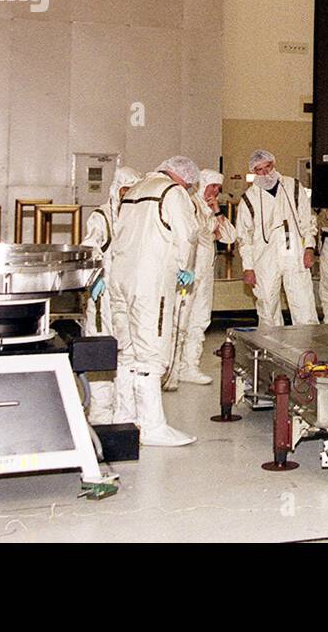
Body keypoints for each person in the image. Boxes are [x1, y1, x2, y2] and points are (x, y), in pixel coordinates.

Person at [106, 156, 201, 447]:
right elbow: (188, 234)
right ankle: (151, 427)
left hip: (120, 280)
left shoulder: (135, 189)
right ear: (184, 178)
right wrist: (186, 267)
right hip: (150, 285)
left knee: (127, 352)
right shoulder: (172, 192)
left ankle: (123, 418)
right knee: (150, 353)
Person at [165, 168, 238, 389]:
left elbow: (230, 237)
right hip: (187, 272)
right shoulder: (189, 204)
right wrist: (210, 232)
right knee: (181, 321)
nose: (214, 191)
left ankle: (190, 366)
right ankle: (172, 368)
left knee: (199, 320)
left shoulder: (211, 210)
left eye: (218, 188)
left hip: (205, 273)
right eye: (212, 186)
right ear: (203, 183)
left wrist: (217, 211)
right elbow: (193, 233)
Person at [81, 165, 141, 424]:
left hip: (127, 296)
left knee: (128, 352)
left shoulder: (136, 218)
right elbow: (90, 248)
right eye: (125, 191)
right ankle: (100, 412)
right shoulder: (101, 217)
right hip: (103, 297)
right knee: (101, 350)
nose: (128, 196)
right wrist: (94, 279)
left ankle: (125, 411)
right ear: (116, 189)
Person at [236, 150, 317, 327]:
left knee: (303, 303)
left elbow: (307, 221)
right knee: (267, 305)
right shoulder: (249, 198)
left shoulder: (293, 187)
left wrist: (309, 248)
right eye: (259, 170)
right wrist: (248, 267)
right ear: (253, 172)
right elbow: (244, 237)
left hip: (294, 253)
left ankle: (306, 349)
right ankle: (271, 348)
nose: (265, 173)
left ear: (274, 164)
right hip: (264, 258)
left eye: (268, 167)